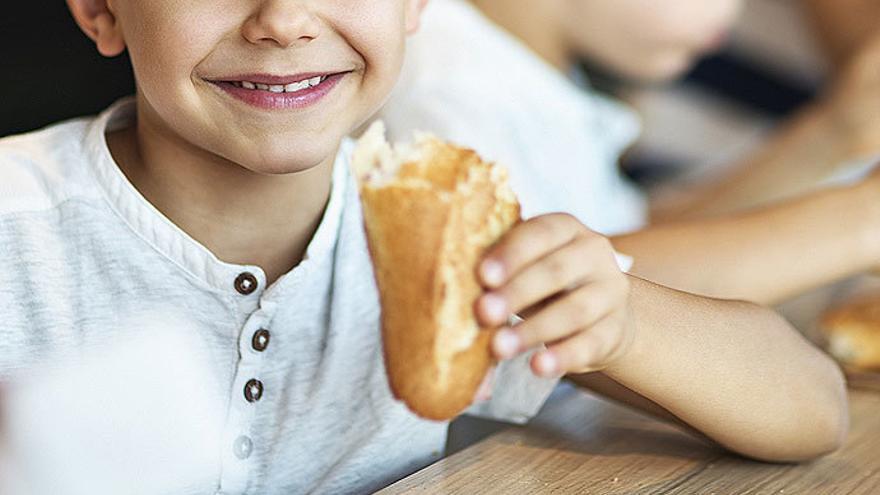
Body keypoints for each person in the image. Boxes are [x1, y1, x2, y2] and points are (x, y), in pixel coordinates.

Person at [0, 0, 847, 493]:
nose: (285, 20)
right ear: (100, 8)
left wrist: (622, 324)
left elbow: (810, 407)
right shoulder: (17, 227)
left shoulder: (440, 240)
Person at [378, 0, 880, 307]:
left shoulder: (525, 72)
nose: (733, 10)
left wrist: (834, 136)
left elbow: (627, 242)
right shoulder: (447, 91)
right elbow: (552, 299)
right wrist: (858, 225)